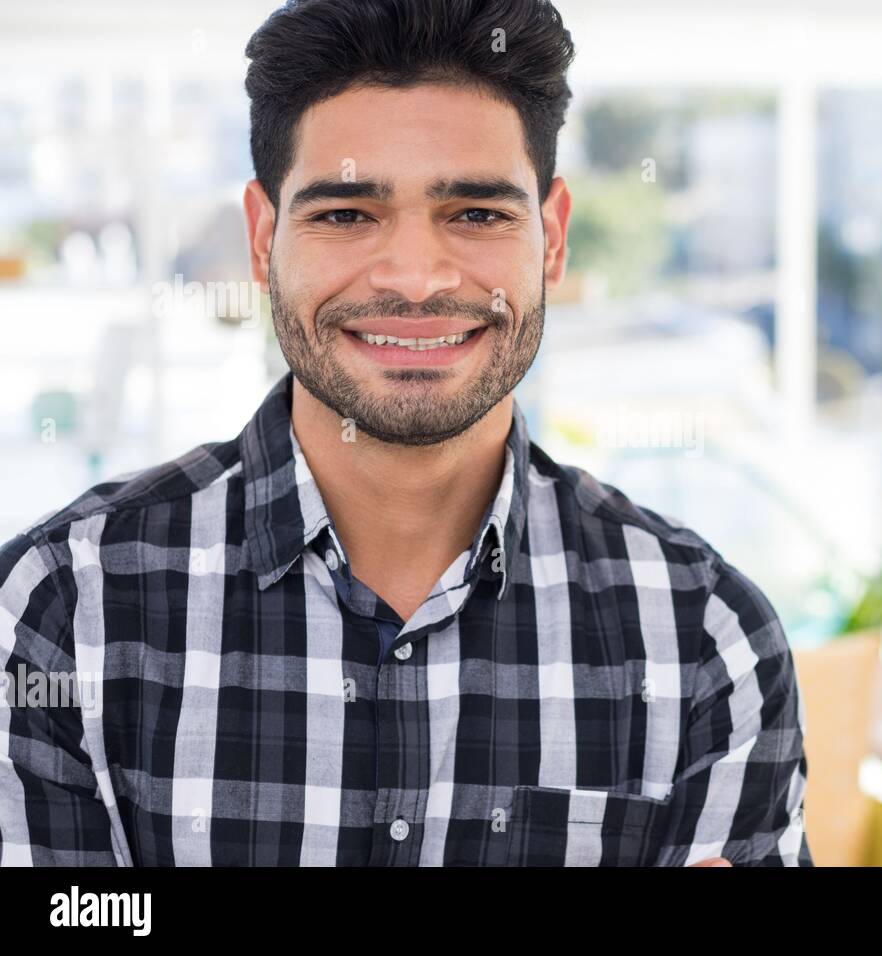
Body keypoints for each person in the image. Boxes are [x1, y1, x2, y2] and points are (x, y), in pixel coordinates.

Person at [0, 0, 811, 867]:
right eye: (347, 215)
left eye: (477, 214)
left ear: (552, 237)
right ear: (264, 238)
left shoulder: (705, 642)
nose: (416, 280)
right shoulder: (59, 614)